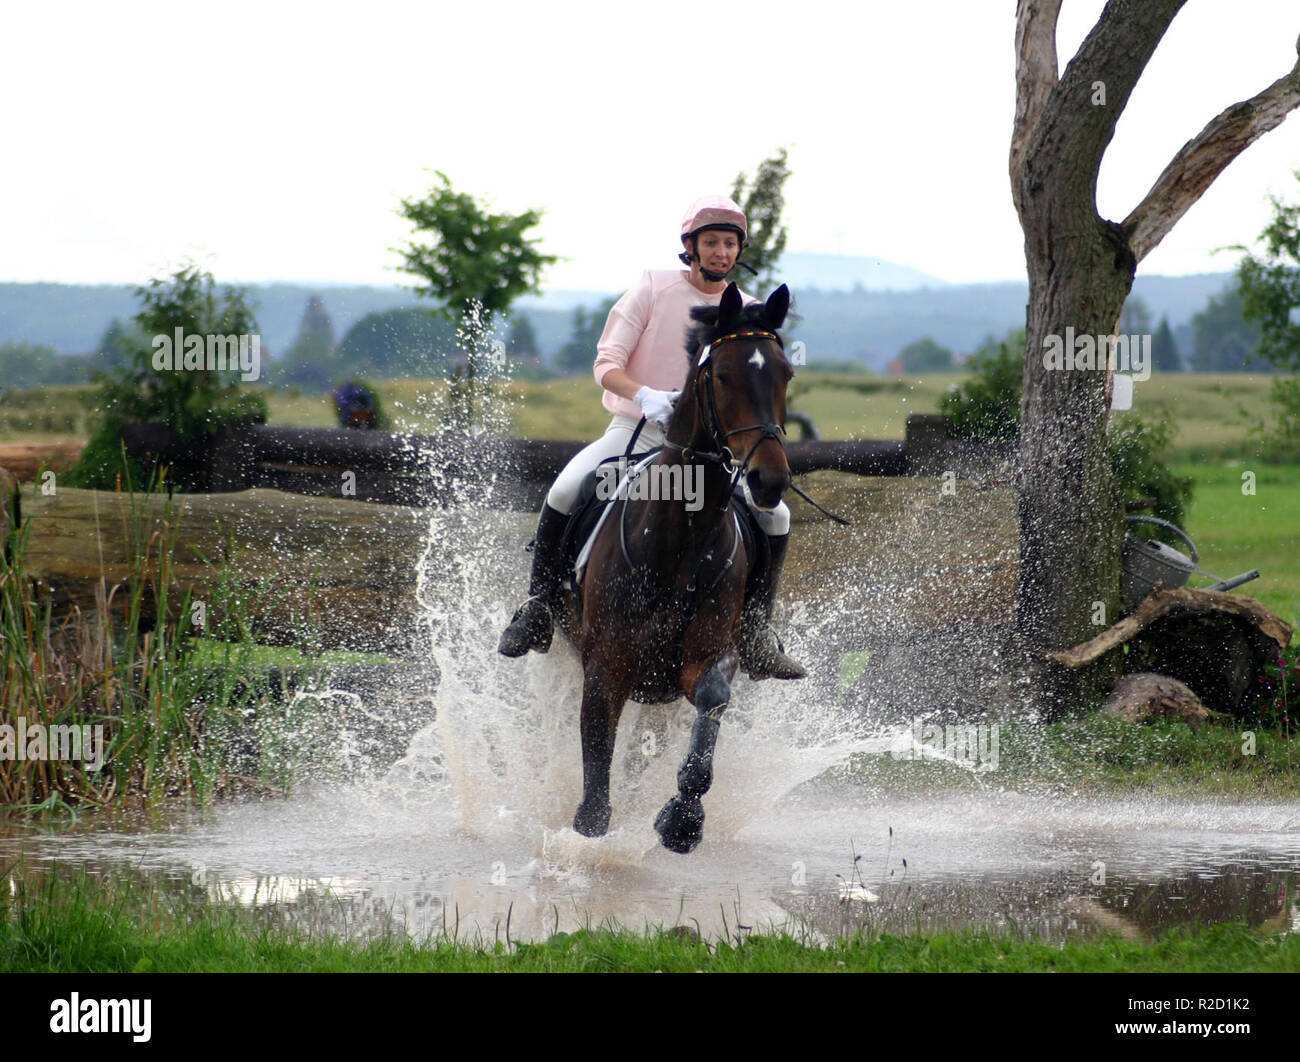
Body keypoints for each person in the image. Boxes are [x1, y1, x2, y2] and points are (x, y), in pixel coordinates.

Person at [497, 194, 805, 680]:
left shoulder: (746, 310)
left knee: (777, 515)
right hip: (635, 432)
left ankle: (756, 630)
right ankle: (536, 608)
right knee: (564, 489)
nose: (721, 252)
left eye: (729, 243)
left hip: (708, 450)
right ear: (691, 246)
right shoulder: (652, 289)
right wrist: (645, 396)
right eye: (711, 242)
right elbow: (605, 365)